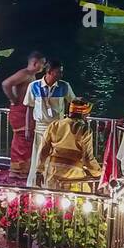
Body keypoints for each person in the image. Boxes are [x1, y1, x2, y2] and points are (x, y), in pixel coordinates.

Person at [23, 59, 75, 187]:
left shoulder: (64, 86)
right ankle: (34, 184)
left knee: (54, 159)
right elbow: (29, 108)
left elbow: (73, 102)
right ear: (50, 72)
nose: (61, 75)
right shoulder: (34, 86)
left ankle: (52, 185)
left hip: (58, 129)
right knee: (38, 157)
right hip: (40, 128)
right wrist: (28, 128)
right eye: (58, 72)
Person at [41, 99, 102, 192]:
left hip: (53, 173)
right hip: (73, 176)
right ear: (83, 114)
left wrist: (39, 171)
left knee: (52, 202)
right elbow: (88, 159)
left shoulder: (54, 125)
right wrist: (99, 173)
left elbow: (43, 151)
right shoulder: (84, 130)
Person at [1, 51, 44, 182]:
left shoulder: (31, 76)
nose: (43, 66)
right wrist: (14, 100)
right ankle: (18, 172)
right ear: (35, 63)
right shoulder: (25, 74)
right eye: (42, 63)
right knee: (23, 140)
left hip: (25, 112)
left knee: (25, 141)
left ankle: (22, 171)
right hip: (20, 112)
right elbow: (6, 84)